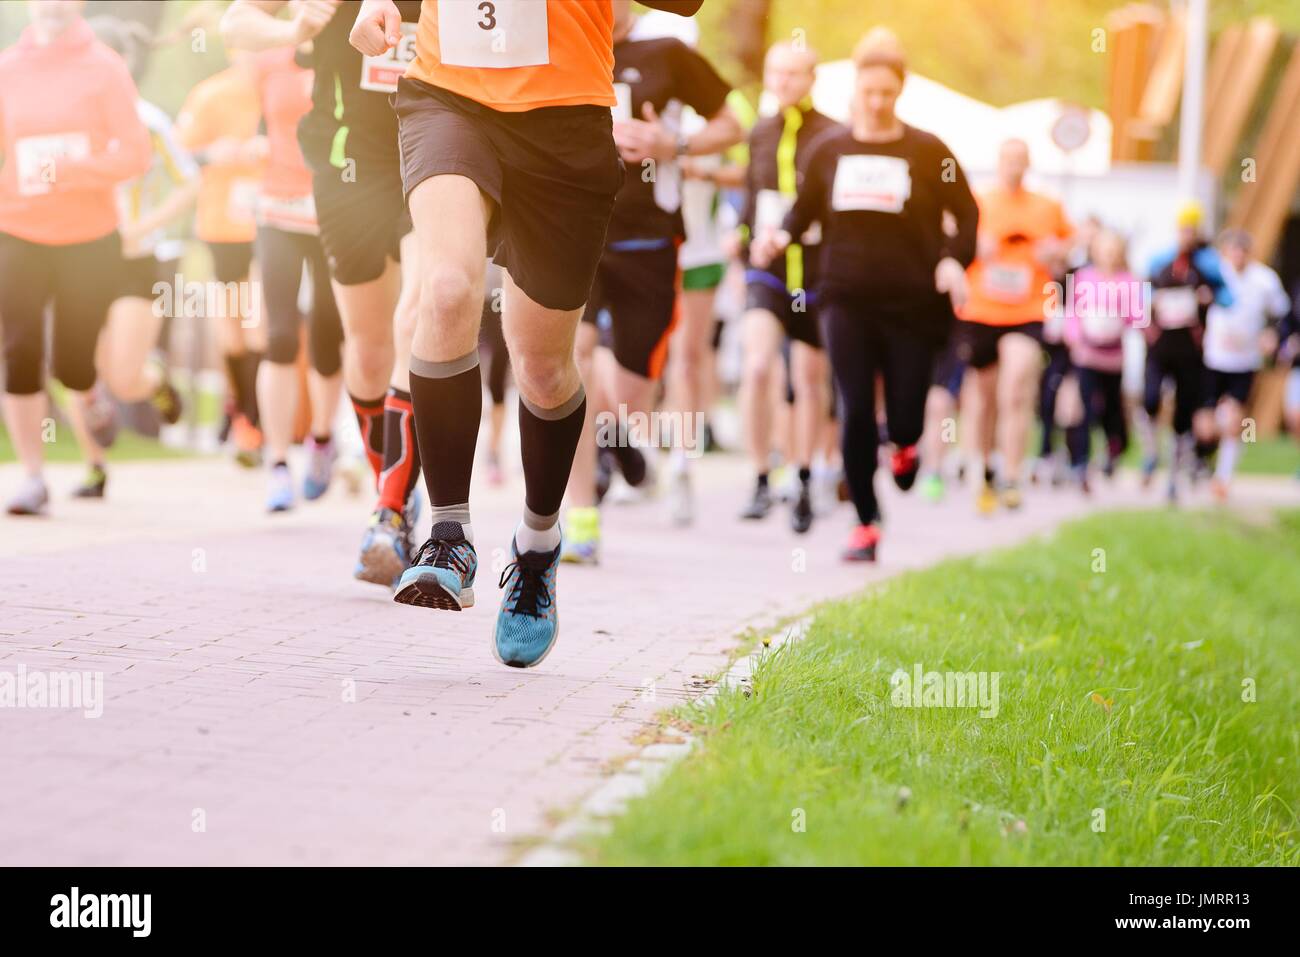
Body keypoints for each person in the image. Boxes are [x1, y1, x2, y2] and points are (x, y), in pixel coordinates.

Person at [350, 0, 703, 668]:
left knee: (541, 364)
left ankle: (537, 547)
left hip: (566, 122)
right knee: (446, 288)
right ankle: (448, 532)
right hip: (450, 96)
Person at [752, 27, 978, 562]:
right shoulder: (830, 150)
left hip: (912, 303)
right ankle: (865, 523)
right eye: (869, 92)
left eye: (887, 93)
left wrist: (952, 258)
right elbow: (801, 210)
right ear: (856, 89)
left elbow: (966, 213)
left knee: (903, 413)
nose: (877, 103)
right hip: (843, 296)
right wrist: (778, 235)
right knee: (853, 405)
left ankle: (903, 446)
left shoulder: (928, 151)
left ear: (900, 90)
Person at [221, 0, 425, 585]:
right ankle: (395, 484)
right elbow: (236, 22)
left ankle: (389, 509)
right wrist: (294, 27)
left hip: (438, 151)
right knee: (366, 348)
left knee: (419, 312)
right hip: (348, 169)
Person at [560, 0, 740, 565]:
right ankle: (581, 519)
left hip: (651, 242)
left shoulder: (667, 53)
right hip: (574, 233)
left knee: (633, 395)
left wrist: (673, 146)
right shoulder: (562, 46)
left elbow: (733, 125)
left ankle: (619, 436)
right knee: (572, 360)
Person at [0, 0, 151, 516]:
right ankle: (32, 478)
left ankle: (88, 395)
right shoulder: (7, 68)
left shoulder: (104, 67)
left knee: (72, 360)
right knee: (17, 350)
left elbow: (136, 153)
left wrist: (71, 169)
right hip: (16, 229)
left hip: (89, 237)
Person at [736, 40, 838, 535]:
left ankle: (802, 476)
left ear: (811, 79)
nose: (783, 83)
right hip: (766, 270)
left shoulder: (832, 135)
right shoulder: (760, 132)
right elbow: (752, 196)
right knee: (757, 367)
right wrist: (744, 239)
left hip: (816, 271)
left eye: (794, 74)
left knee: (809, 378)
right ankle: (760, 475)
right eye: (776, 73)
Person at [88, 15, 196, 469]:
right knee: (80, 370)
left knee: (122, 376)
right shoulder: (62, 120)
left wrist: (139, 225)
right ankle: (95, 466)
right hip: (77, 254)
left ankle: (154, 383)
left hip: (135, 257)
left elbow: (190, 183)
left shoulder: (148, 121)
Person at [248, 44, 345, 512]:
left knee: (328, 333)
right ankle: (278, 464)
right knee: (281, 335)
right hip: (278, 212)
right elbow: (247, 125)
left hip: (335, 212)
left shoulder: (350, 48)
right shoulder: (269, 58)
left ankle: (323, 438)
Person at [956, 138, 1074, 514]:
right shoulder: (978, 202)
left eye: (1020, 160)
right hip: (982, 308)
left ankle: (1012, 473)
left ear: (1028, 164)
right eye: (1008, 160)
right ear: (998, 162)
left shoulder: (1047, 206)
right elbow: (952, 240)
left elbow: (1072, 244)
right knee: (984, 394)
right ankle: (984, 467)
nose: (1013, 167)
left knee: (1017, 386)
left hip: (1029, 308)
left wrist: (1055, 251)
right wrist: (975, 244)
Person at [175, 50, 268, 468]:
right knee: (233, 327)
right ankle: (244, 411)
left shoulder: (291, 88)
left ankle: (254, 420)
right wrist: (217, 153)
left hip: (276, 220)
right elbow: (178, 154)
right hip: (223, 224)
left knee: (261, 324)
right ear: (233, 46)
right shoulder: (211, 94)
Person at [1140, 200, 1229, 503]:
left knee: (1183, 413)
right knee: (1150, 399)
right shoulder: (1162, 263)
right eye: (1182, 229)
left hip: (1190, 352)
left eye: (1191, 229)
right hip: (1160, 347)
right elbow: (1143, 296)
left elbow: (1228, 297)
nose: (1186, 235)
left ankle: (1175, 474)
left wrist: (1210, 298)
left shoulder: (1207, 265)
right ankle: (1151, 452)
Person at [1201, 229, 1289, 500]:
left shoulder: (1264, 280)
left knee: (1234, 419)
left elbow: (1282, 314)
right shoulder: (1215, 276)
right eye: (1232, 249)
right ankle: (1204, 459)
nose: (1237, 256)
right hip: (1214, 358)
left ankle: (1223, 477)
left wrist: (1272, 335)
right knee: (1207, 425)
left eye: (1242, 250)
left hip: (1244, 361)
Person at [1061, 228, 1143, 489]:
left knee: (1110, 409)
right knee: (1083, 408)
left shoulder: (1128, 281)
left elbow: (1136, 317)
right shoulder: (1084, 278)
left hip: (1113, 357)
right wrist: (1073, 337)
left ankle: (1113, 448)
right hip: (1087, 354)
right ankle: (1081, 462)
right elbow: (1072, 312)